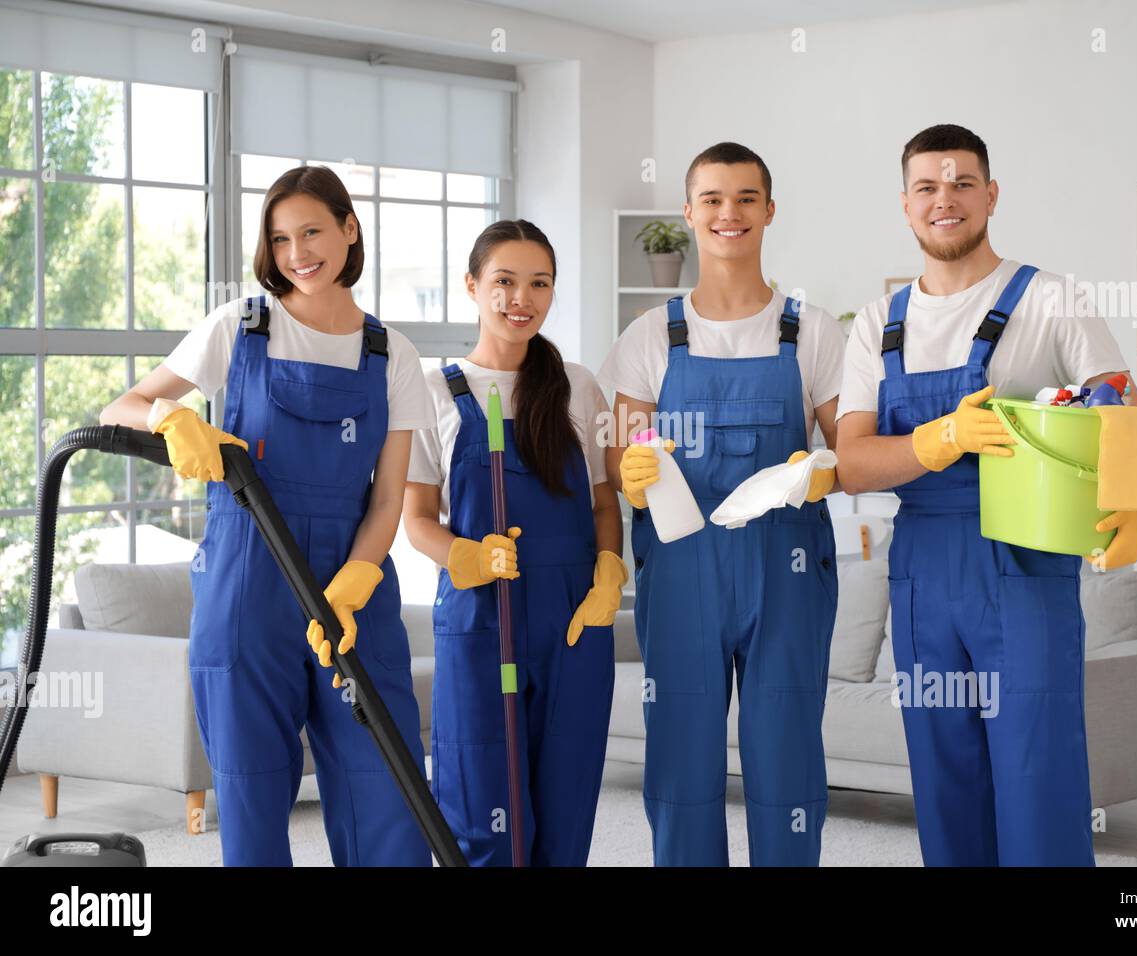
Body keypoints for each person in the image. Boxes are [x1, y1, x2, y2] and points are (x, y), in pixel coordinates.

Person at [835, 124, 1137, 866]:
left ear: (991, 194)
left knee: (1035, 773)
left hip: (1024, 564)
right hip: (921, 572)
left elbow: (1123, 409)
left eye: (960, 184)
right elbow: (852, 464)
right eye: (927, 186)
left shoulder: (1048, 298)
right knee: (945, 778)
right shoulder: (876, 325)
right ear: (905, 202)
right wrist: (939, 440)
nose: (943, 200)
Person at [99, 165, 436, 866]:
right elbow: (118, 409)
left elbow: (386, 501)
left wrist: (356, 581)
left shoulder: (390, 354)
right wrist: (172, 419)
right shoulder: (240, 327)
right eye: (280, 238)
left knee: (388, 789)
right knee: (252, 801)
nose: (296, 253)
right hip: (247, 585)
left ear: (349, 229)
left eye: (311, 230)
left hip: (354, 589)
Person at [601, 143, 843, 866]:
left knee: (787, 751)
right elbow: (619, 455)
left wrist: (822, 471)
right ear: (688, 212)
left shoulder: (812, 330)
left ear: (769, 211)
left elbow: (851, 447)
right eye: (711, 199)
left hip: (789, 570)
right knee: (680, 754)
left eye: (744, 198)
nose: (728, 213)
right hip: (682, 569)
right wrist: (633, 469)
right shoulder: (650, 335)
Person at [402, 219, 624, 866]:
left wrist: (609, 572)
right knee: (482, 806)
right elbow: (415, 519)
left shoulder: (577, 387)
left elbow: (604, 499)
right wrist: (464, 557)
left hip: (573, 620)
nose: (520, 298)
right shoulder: (434, 390)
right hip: (479, 616)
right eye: (503, 281)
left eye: (538, 283)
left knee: (566, 798)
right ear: (472, 286)